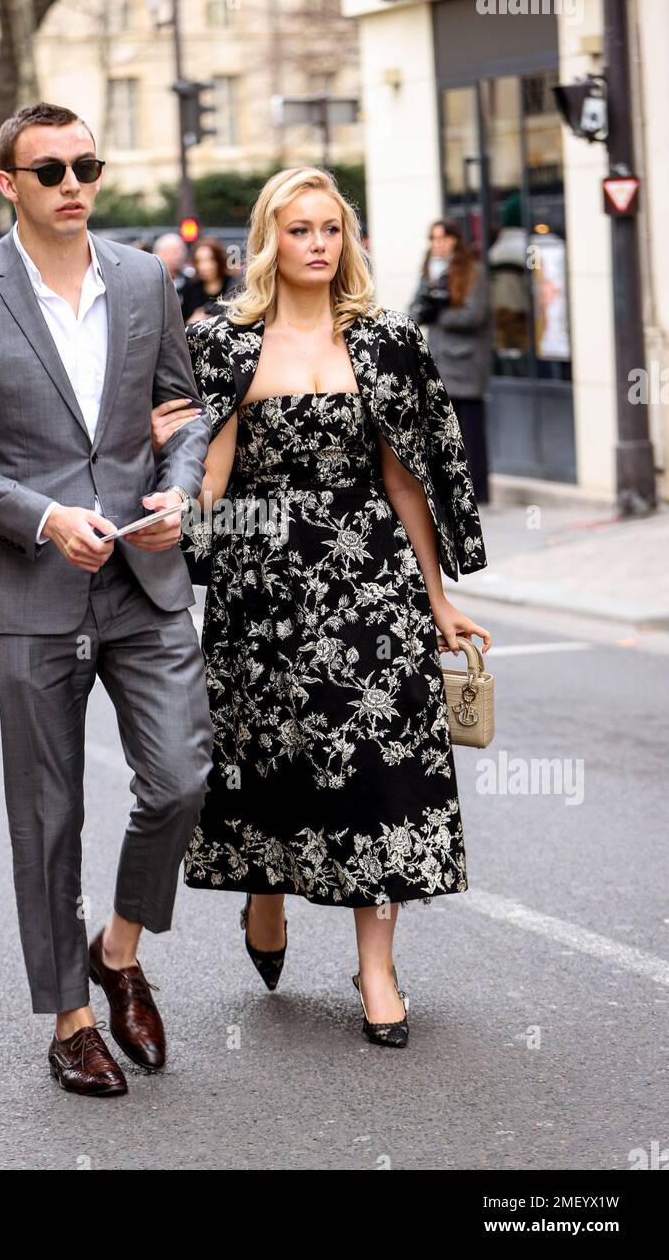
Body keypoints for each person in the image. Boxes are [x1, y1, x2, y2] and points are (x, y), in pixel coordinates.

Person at [152, 166, 490, 1050]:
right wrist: (172, 519)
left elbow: (405, 479)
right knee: (271, 757)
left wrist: (436, 599)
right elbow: (213, 473)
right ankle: (266, 894)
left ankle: (375, 969)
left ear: (347, 238)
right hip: (260, 583)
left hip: (368, 576)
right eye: (299, 229)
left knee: (378, 765)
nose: (317, 244)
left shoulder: (385, 339)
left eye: (330, 228)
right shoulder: (223, 342)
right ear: (270, 239)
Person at [0, 102, 213, 1098]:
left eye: (86, 165)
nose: (73, 183)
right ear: (9, 183)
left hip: (143, 576)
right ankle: (71, 1021)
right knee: (48, 816)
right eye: (50, 170)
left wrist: (178, 490)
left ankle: (117, 949)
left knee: (180, 779)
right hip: (31, 588)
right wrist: (44, 518)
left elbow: (180, 412)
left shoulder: (144, 277)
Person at [409, 219, 492, 504]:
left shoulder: (474, 271)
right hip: (439, 365)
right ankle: (452, 490)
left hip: (467, 365)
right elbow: (414, 311)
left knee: (470, 433)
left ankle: (478, 492)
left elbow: (474, 315)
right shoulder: (429, 271)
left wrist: (439, 312)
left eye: (443, 238)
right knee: (442, 432)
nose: (438, 244)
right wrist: (427, 307)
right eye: (433, 239)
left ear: (456, 240)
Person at [184, 236, 242, 323]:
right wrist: (191, 322)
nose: (204, 266)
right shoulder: (190, 290)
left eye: (210, 259)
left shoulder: (233, 286)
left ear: (218, 260)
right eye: (199, 261)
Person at [152, 232, 203, 322]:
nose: (179, 255)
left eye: (181, 251)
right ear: (159, 254)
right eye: (174, 252)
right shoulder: (150, 283)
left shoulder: (192, 283)